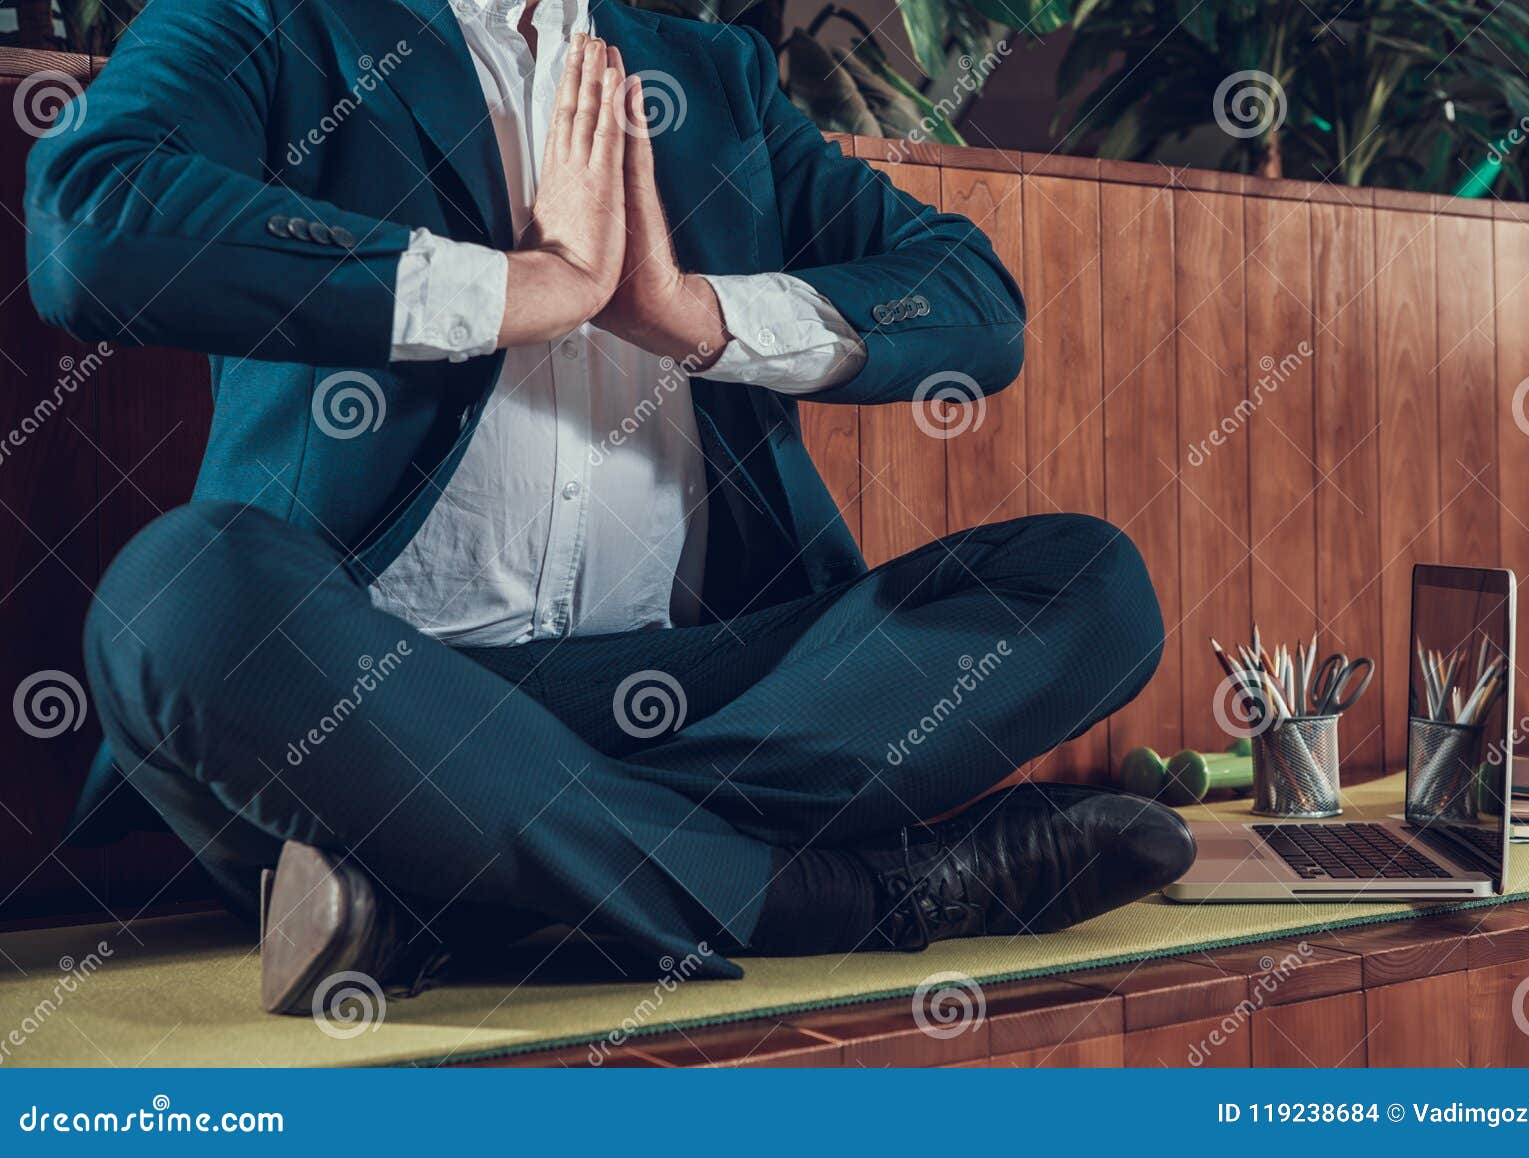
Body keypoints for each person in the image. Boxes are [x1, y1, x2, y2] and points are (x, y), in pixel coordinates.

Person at [25, 0, 1193, 1016]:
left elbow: (974, 302)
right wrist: (519, 288)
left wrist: (695, 316)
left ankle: (453, 885)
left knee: (1089, 587)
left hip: (704, 696)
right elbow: (90, 221)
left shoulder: (709, 76)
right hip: (371, 713)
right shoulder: (275, 22)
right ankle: (844, 894)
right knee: (175, 597)